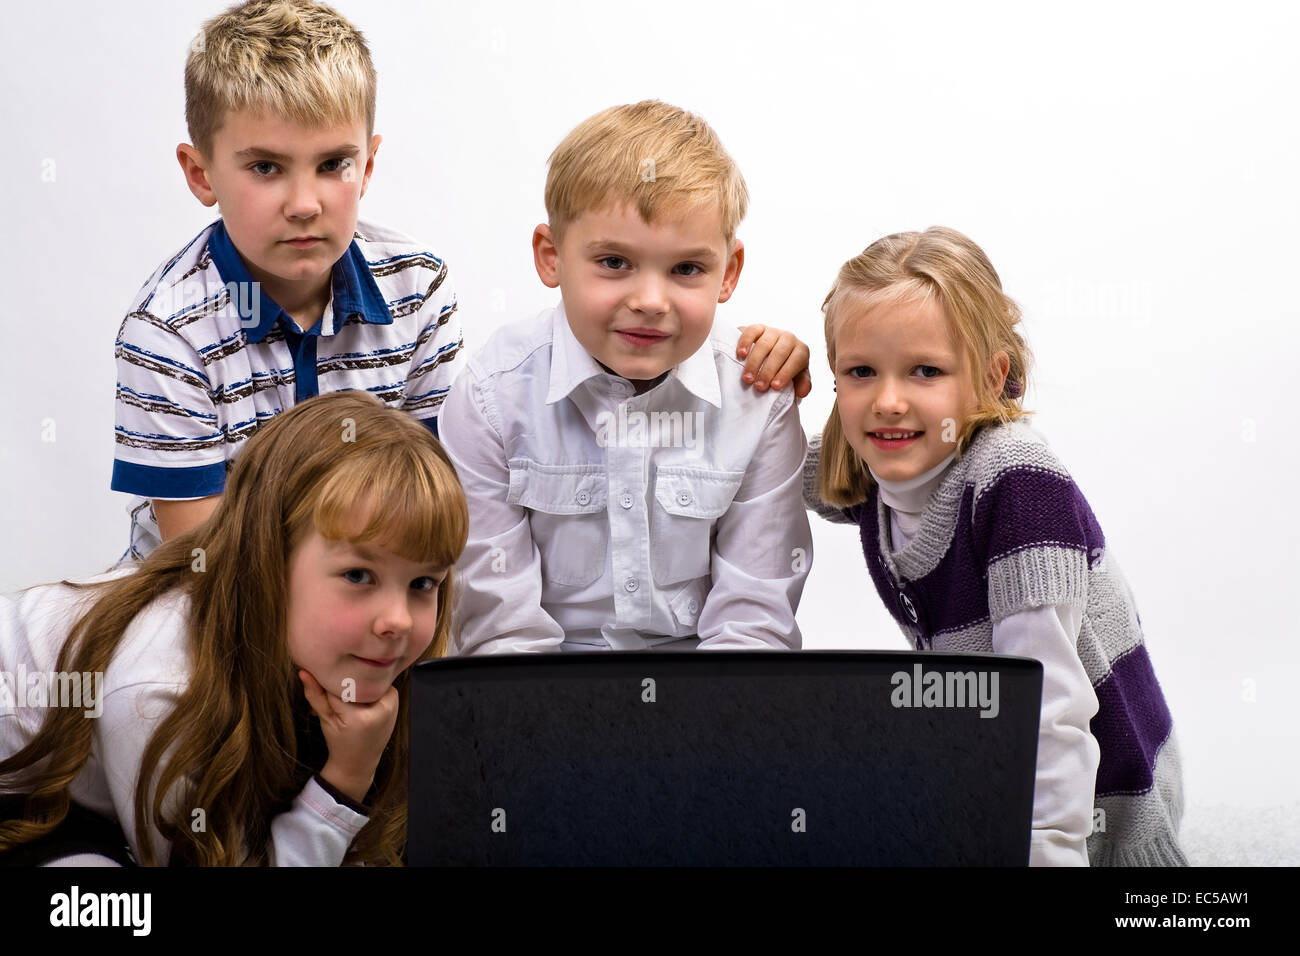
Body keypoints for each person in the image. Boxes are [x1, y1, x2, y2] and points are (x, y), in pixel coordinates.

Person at [804, 227, 1186, 866]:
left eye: (926, 370)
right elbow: (757, 462)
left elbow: (1046, 708)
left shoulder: (1016, 481)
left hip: (1099, 814)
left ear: (989, 376)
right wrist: (753, 368)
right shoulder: (871, 467)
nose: (889, 401)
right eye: (861, 371)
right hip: (993, 783)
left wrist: (1046, 853)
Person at [1, 391, 468, 866]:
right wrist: (344, 782)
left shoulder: (315, 652)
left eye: (423, 582)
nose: (398, 621)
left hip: (78, 807)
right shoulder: (161, 687)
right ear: (269, 559)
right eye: (357, 576)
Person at [441, 100, 813, 653]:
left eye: (686, 269)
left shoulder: (758, 398)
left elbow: (752, 627)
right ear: (550, 257)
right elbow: (501, 631)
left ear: (727, 273)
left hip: (704, 704)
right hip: (536, 703)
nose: (649, 301)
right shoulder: (491, 397)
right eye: (614, 263)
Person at [110, 0, 464, 561]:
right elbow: (202, 564)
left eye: (332, 165)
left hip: (369, 595)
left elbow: (434, 506)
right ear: (202, 174)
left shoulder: (419, 290)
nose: (304, 206)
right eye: (266, 168)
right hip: (209, 605)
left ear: (367, 167)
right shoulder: (166, 331)